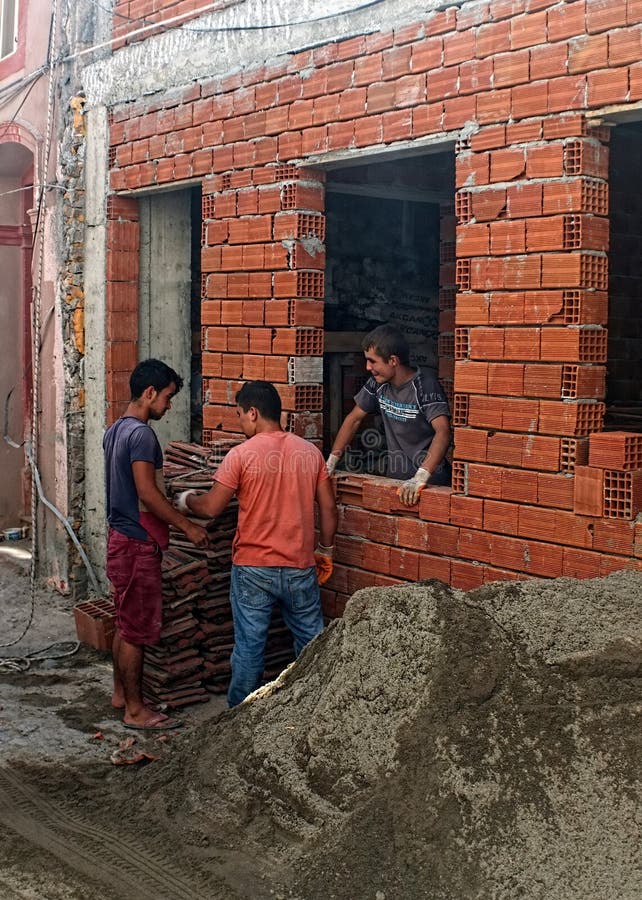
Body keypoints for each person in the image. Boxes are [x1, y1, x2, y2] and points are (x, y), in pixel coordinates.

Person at [175, 380, 338, 707]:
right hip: (299, 567)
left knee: (250, 648)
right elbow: (329, 508)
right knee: (313, 643)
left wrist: (186, 500)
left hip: (253, 570)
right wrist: (326, 549)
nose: (239, 422)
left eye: (239, 414)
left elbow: (210, 508)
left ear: (253, 412)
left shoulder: (242, 455)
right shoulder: (309, 453)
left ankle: (239, 721)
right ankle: (318, 708)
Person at [104, 358, 209, 730]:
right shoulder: (142, 435)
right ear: (149, 393)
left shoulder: (115, 430)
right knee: (136, 631)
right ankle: (136, 711)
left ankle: (121, 694)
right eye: (167, 397)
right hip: (136, 544)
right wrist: (188, 527)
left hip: (120, 539)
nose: (169, 405)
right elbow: (147, 493)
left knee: (124, 623)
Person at [326, 323, 452, 506]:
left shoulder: (425, 387)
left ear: (393, 360)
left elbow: (443, 432)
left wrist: (421, 477)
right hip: (396, 479)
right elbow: (354, 419)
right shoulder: (377, 384)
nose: (368, 367)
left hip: (430, 484)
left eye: (373, 361)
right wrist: (331, 463)